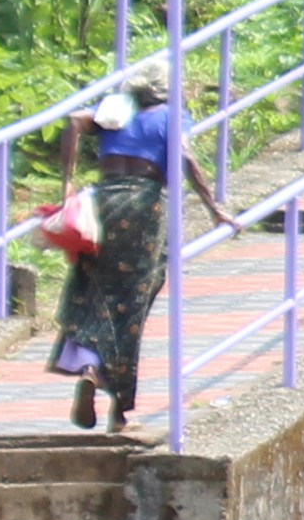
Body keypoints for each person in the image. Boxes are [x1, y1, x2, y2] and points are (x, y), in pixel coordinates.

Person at [53, 77, 228, 431]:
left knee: (91, 290)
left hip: (103, 199)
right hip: (143, 206)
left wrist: (67, 183)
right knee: (131, 304)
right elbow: (185, 158)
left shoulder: (117, 110)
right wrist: (214, 208)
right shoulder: (171, 116)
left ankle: (88, 369)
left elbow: (73, 120)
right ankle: (118, 411)